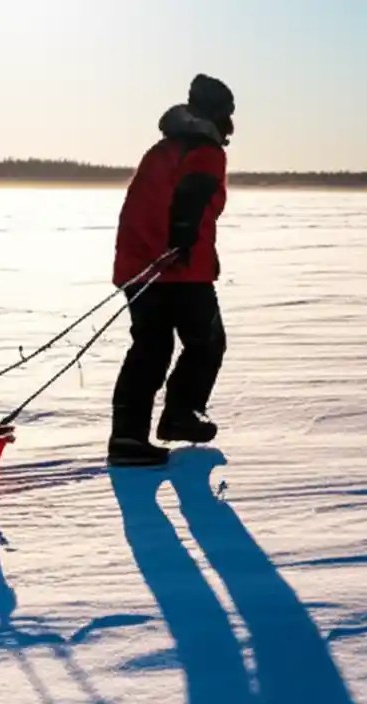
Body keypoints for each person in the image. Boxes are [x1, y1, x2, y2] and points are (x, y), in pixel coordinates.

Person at [107, 74, 234, 467]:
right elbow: (191, 198)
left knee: (151, 347)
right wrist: (179, 242)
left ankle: (127, 439)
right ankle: (180, 415)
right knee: (206, 342)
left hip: (138, 263)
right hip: (179, 266)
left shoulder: (162, 149)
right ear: (216, 113)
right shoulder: (206, 151)